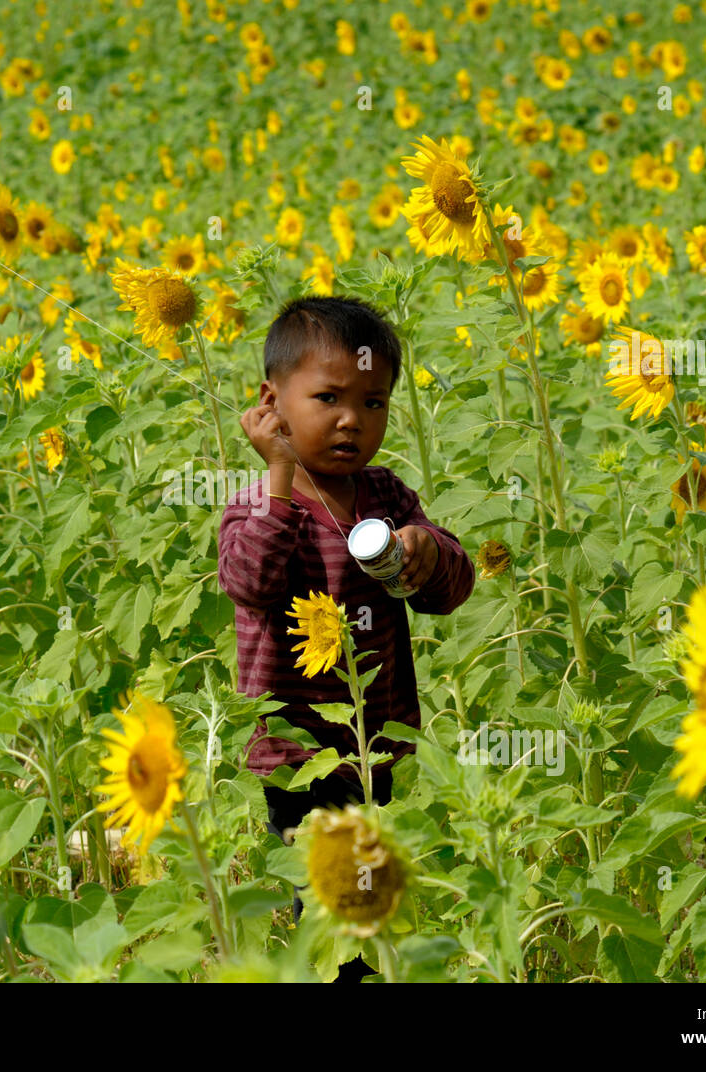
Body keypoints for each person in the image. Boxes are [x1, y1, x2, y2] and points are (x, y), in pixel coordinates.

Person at [217, 296, 475, 976]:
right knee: (330, 916)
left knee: (374, 903)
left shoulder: (386, 497)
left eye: (375, 402)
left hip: (373, 744)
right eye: (328, 397)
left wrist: (429, 553)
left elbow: (449, 593)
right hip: (298, 752)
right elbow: (251, 581)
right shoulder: (257, 502)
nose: (352, 421)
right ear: (272, 402)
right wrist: (278, 473)